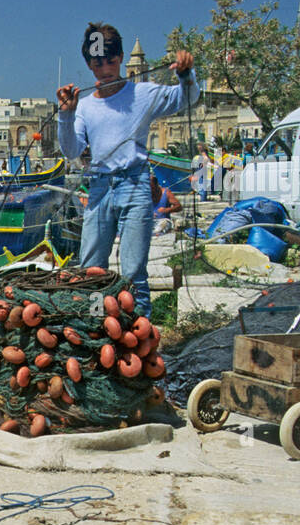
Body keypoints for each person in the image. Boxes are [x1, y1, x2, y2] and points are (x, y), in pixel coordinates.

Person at [57, 22, 199, 317]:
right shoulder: (83, 106)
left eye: (110, 60)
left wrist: (186, 73)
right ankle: (97, 328)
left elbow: (186, 98)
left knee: (134, 271)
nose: (105, 68)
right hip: (98, 188)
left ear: (121, 58)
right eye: (98, 63)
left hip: (134, 186)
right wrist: (66, 116)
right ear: (89, 65)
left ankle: (140, 336)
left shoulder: (143, 94)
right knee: (92, 268)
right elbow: (71, 150)